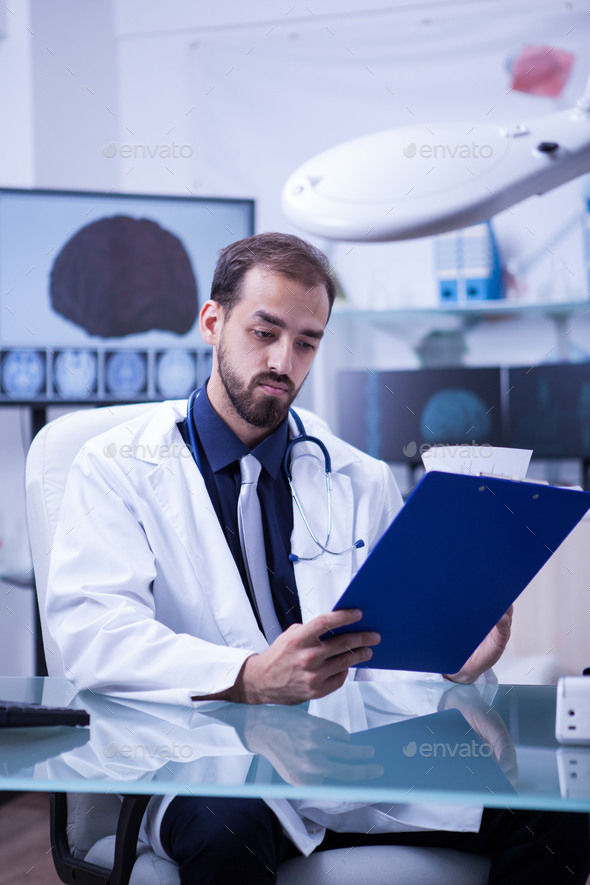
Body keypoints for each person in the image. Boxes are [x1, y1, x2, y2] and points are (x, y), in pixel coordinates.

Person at [46, 232, 590, 885]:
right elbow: (92, 639)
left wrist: (449, 667)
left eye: (307, 341)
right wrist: (246, 675)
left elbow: (379, 661)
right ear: (212, 322)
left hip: (352, 760)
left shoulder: (358, 477)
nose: (284, 360)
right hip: (200, 759)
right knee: (230, 828)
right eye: (264, 332)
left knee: (559, 810)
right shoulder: (117, 467)